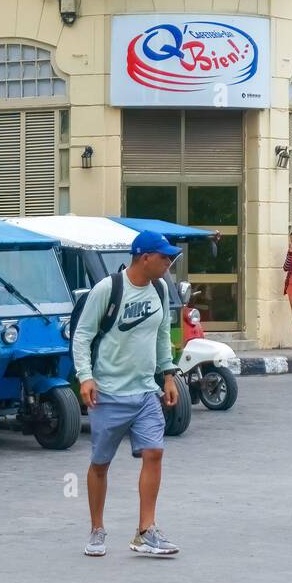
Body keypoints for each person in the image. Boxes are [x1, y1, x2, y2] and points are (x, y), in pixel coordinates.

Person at [74, 230, 182, 558]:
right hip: (108, 393)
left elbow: (163, 334)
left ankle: (145, 531)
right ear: (144, 257)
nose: (169, 262)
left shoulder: (161, 290)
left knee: (154, 453)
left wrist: (168, 375)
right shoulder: (108, 289)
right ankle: (96, 528)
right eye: (164, 257)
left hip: (146, 393)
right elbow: (82, 336)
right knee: (100, 464)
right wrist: (85, 377)